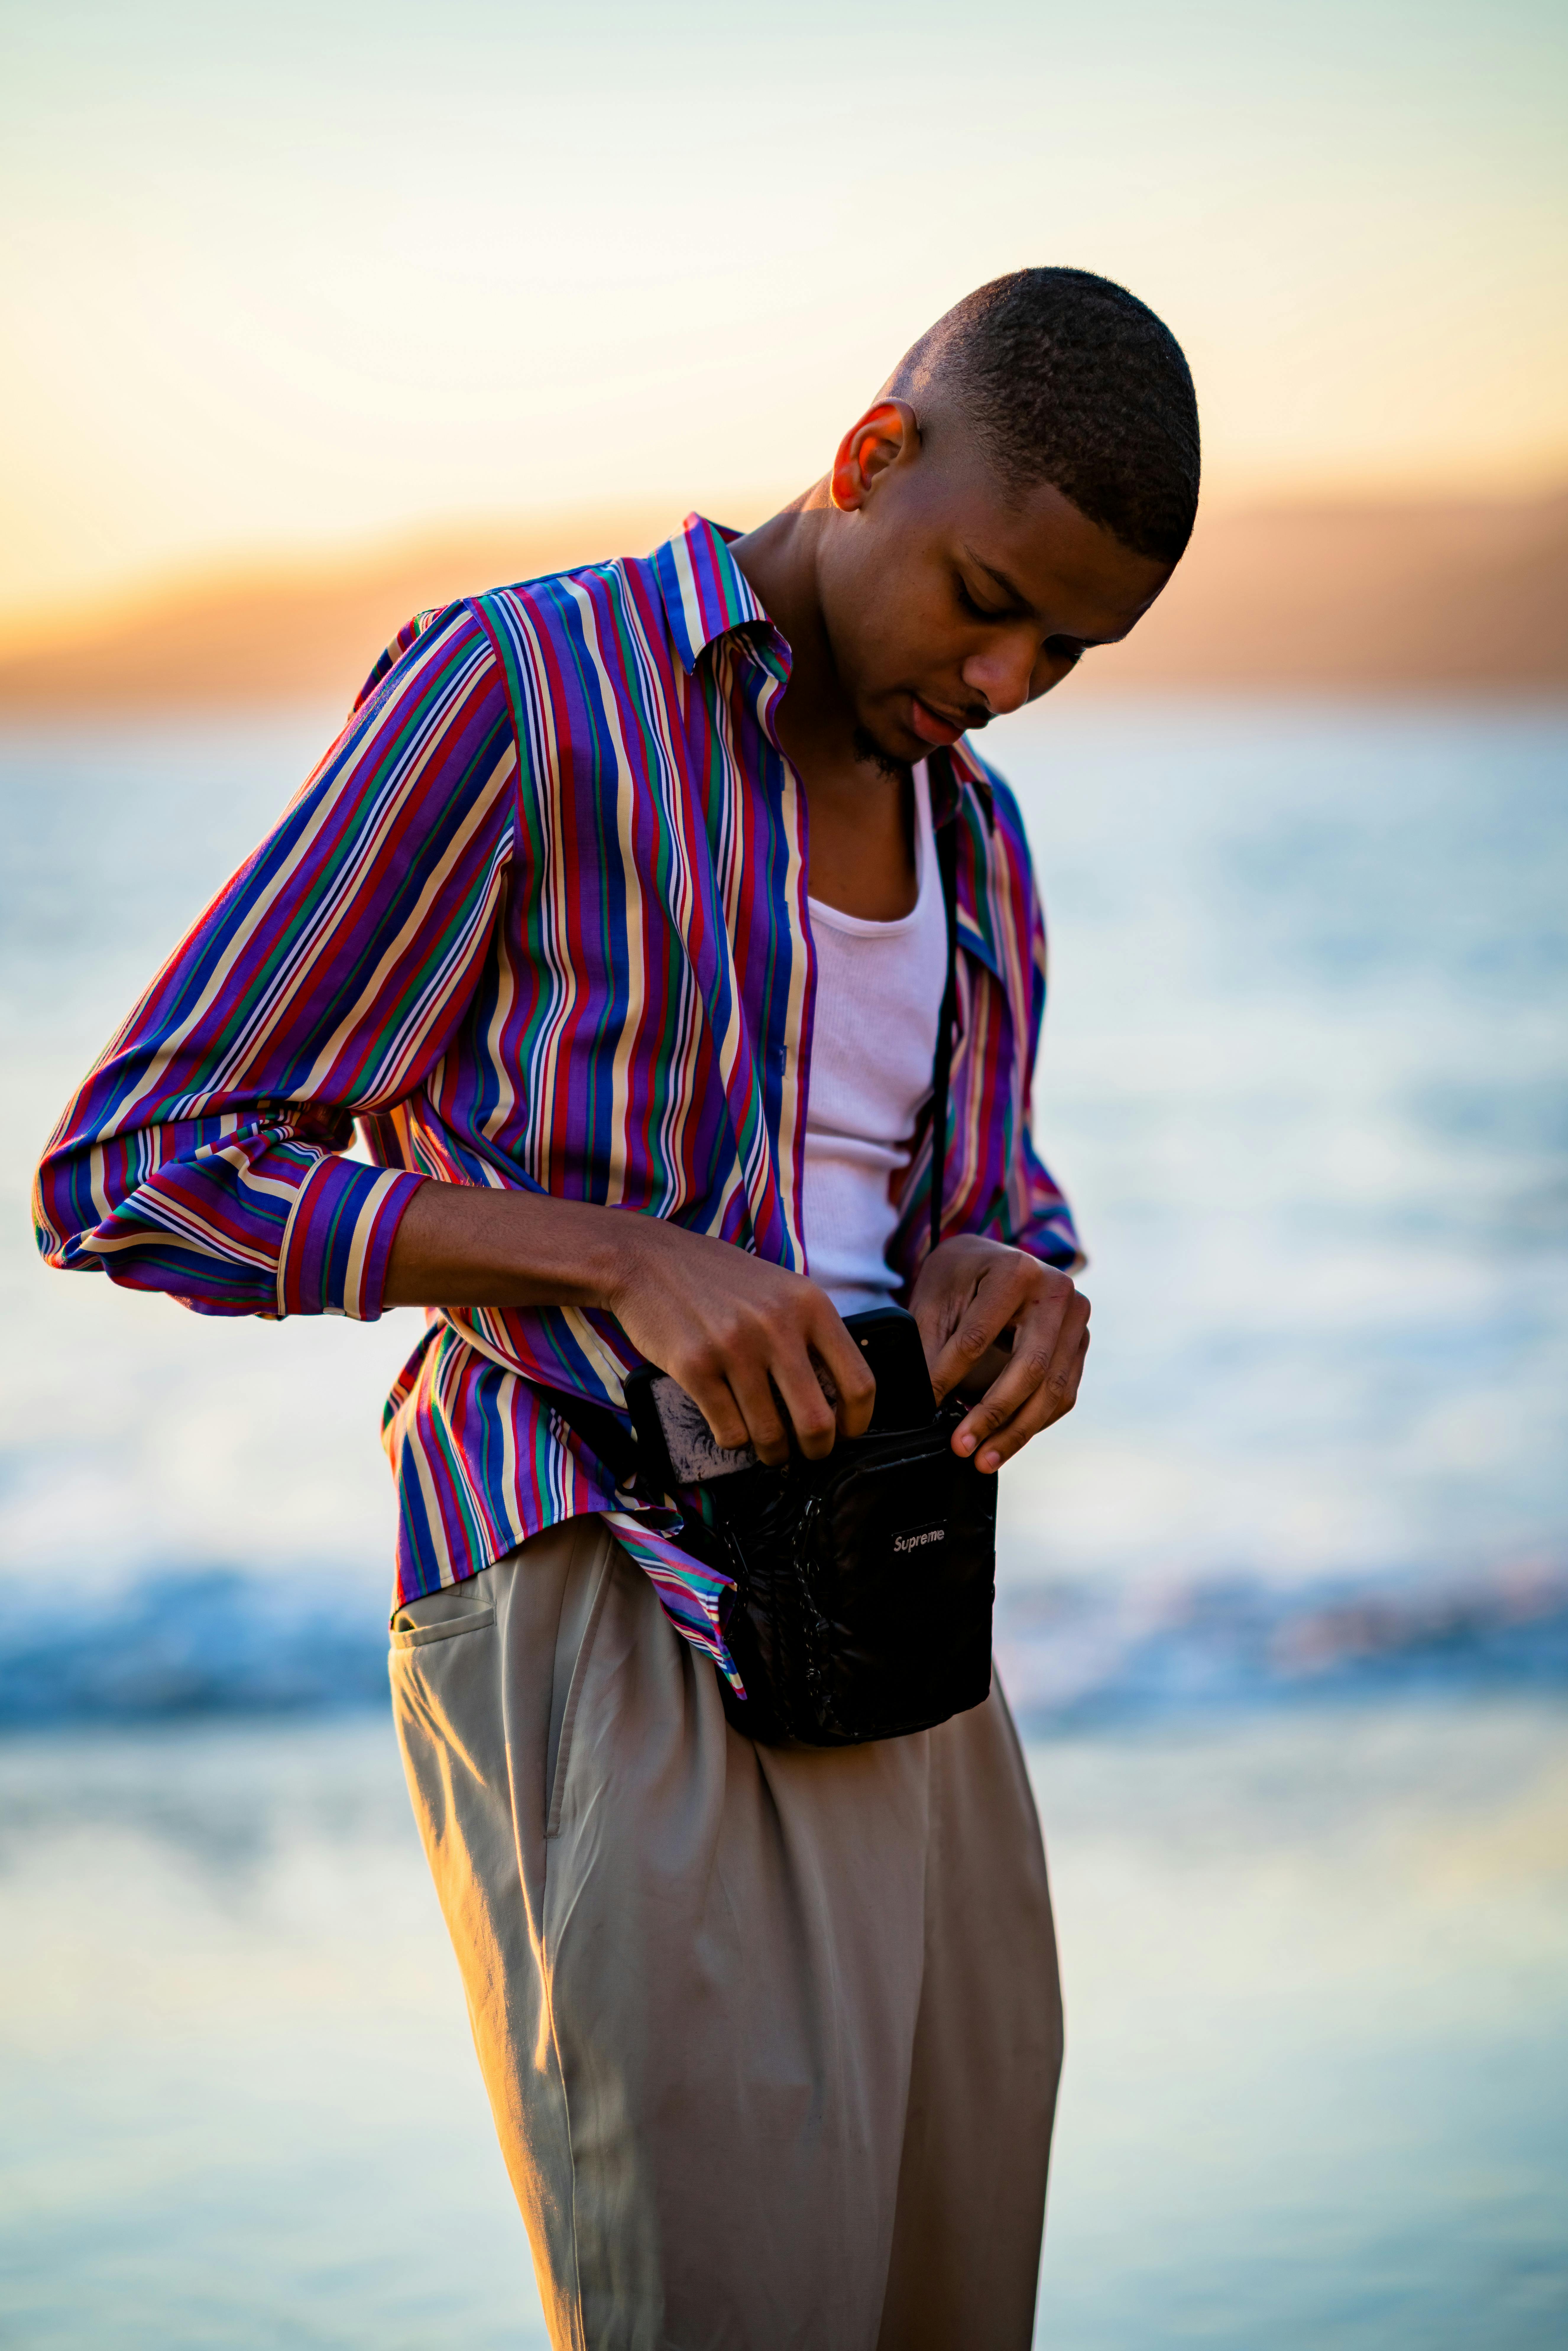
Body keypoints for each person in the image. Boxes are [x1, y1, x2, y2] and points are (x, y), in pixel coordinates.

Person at [34, 266, 1198, 2349]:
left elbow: (977, 1197)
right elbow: (134, 1167)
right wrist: (610, 1254)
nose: (1009, 676)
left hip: (909, 1622)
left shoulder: (984, 841)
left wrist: (1025, 1280)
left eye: (1070, 651)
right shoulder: (526, 690)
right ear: (870, 460)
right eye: (988, 599)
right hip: (602, 1582)